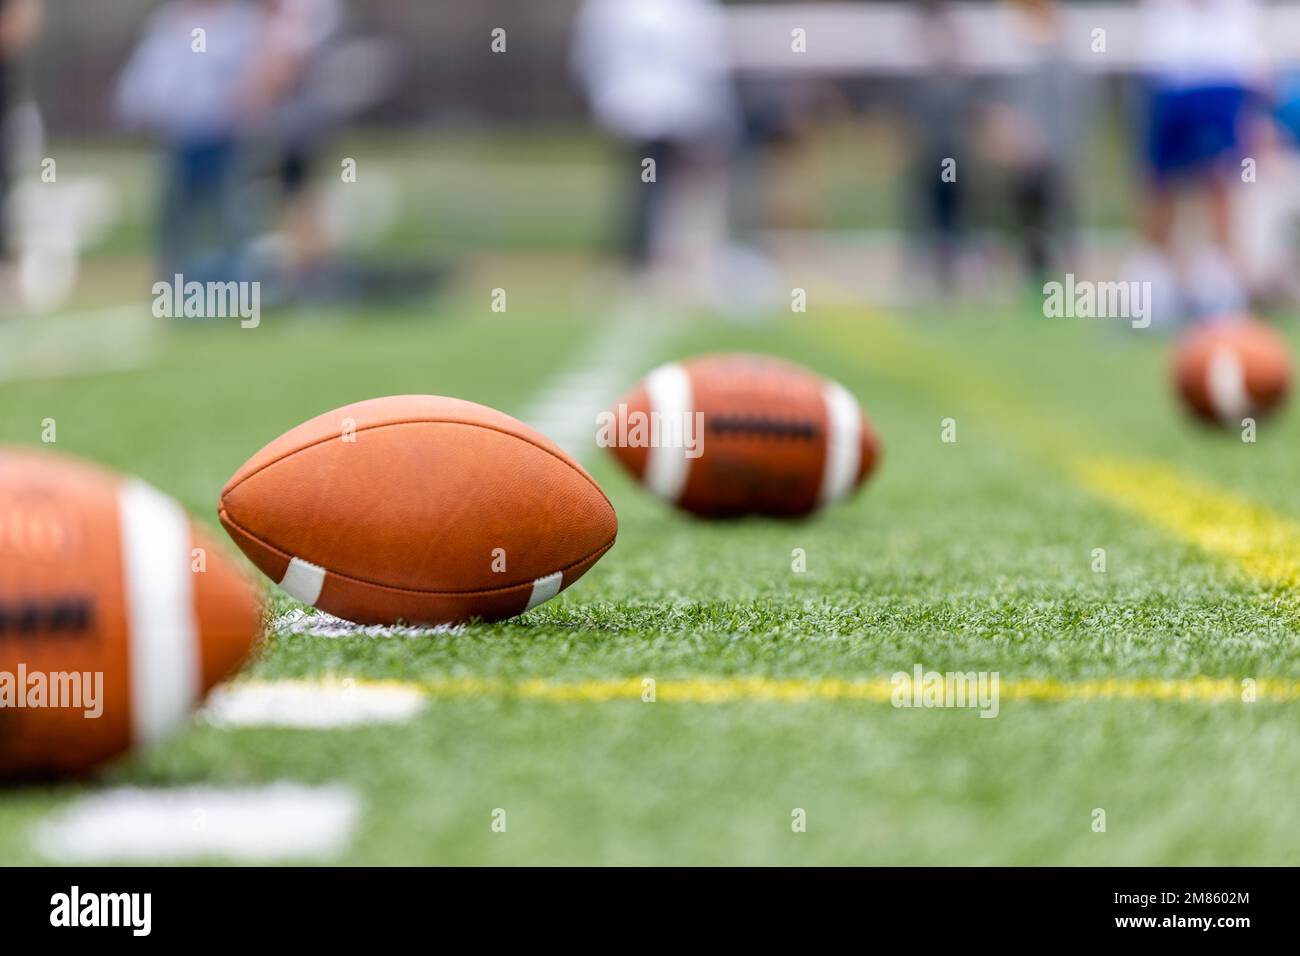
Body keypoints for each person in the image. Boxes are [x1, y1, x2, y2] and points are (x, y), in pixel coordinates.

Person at [571, 0, 740, 283]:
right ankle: (649, 254)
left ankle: (662, 253)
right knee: (652, 184)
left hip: (651, 106)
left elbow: (587, 56)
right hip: (661, 106)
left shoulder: (612, 9)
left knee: (656, 185)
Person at [1133, 0, 1267, 323]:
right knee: (1160, 182)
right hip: (1169, 69)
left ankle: (1222, 287)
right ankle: (1153, 285)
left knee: (1221, 179)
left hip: (1223, 68)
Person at [115, 0, 261, 284]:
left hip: (224, 140)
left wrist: (235, 107)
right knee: (177, 225)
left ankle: (237, 289)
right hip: (179, 141)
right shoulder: (167, 22)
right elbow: (146, 79)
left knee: (229, 221)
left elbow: (253, 77)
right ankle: (177, 289)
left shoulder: (238, 22)